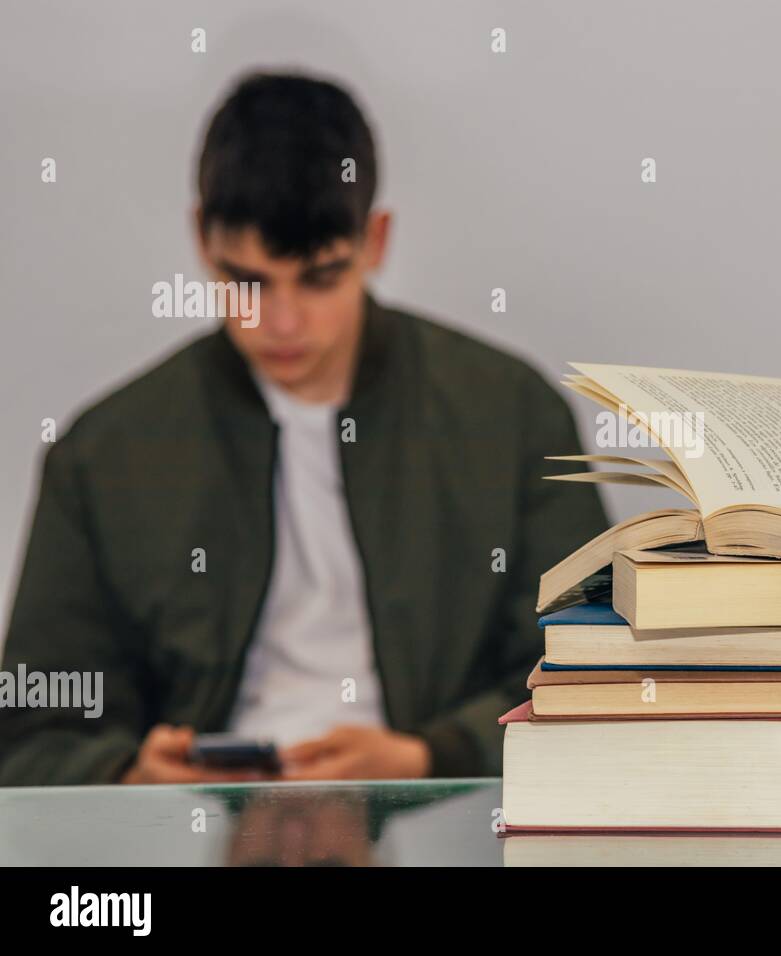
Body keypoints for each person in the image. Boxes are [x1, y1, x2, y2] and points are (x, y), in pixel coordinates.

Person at [0, 71, 608, 785]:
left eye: (319, 278)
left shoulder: (511, 415)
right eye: (249, 282)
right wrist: (130, 778)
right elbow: (32, 727)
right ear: (201, 238)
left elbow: (590, 667)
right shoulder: (104, 455)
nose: (282, 323)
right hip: (193, 840)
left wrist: (427, 757)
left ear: (375, 241)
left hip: (441, 824)